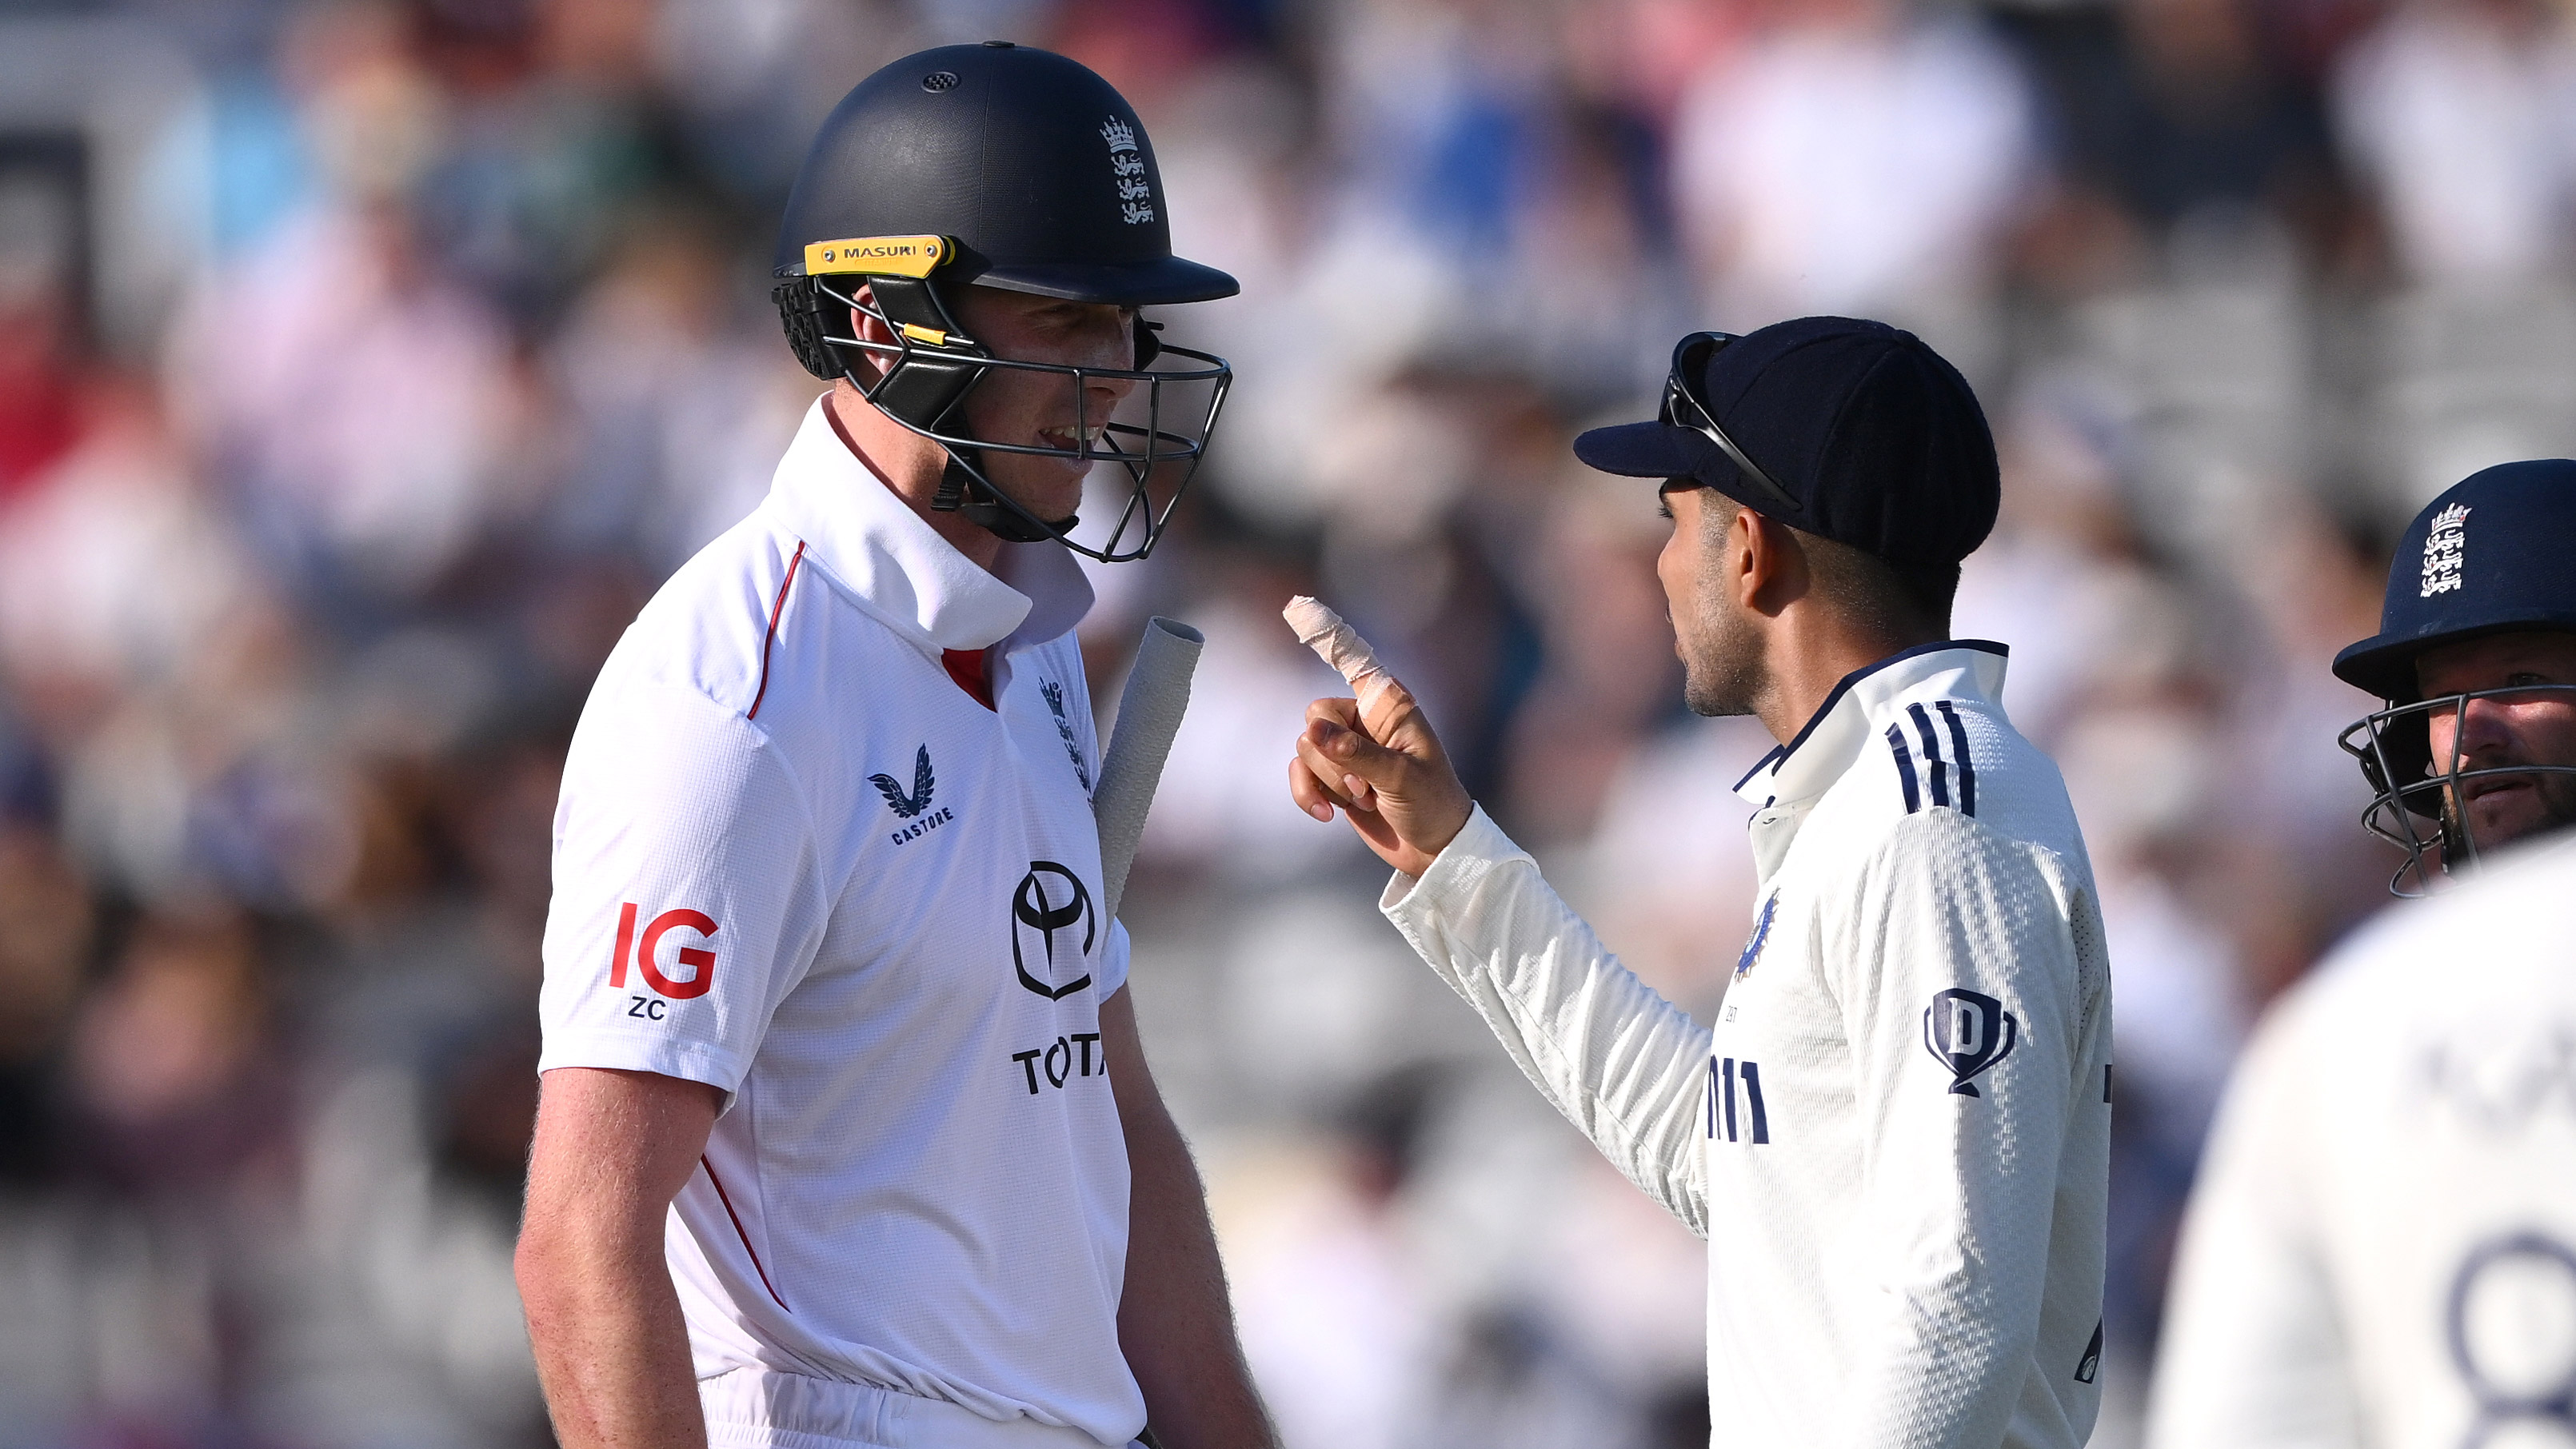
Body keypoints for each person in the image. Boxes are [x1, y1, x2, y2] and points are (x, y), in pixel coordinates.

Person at [514, 44, 1275, 1449]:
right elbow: (582, 1247)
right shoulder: (734, 702)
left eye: (1124, 325)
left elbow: (1108, 1111)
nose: (1114, 378)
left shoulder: (1028, 633)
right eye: (1064, 319)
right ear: (881, 323)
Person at [1288, 317, 2115, 1447]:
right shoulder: (1876, 798)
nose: (1662, 568)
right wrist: (1453, 857)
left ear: (1749, 552)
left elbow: (1955, 1300)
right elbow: (1736, 1173)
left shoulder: (1929, 821)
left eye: (1671, 523)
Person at [2147, 462, 2576, 1449]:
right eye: (2441, 700)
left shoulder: (2339, 1027)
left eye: (2520, 682)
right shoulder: (2335, 1036)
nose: (2470, 736)